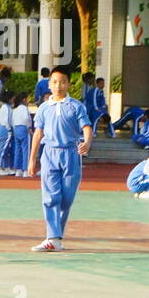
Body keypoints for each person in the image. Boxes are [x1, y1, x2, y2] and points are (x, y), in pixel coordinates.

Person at [26, 67, 92, 252]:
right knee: (50, 197)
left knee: (66, 198)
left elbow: (86, 127)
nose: (58, 85)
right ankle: (52, 237)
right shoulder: (44, 108)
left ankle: (57, 238)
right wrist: (32, 159)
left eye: (62, 81)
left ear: (69, 84)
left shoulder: (76, 106)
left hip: (71, 154)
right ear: (49, 84)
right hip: (49, 154)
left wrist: (86, 142)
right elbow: (38, 133)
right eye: (54, 82)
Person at [10, 93, 33, 178]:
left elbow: (12, 121)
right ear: (24, 99)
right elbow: (27, 119)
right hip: (24, 128)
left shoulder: (15, 109)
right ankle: (25, 170)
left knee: (17, 149)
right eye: (27, 99)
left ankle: (17, 170)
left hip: (16, 128)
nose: (28, 101)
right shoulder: (24, 109)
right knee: (25, 149)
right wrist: (29, 128)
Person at [80, 72, 109, 138]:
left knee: (90, 119)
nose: (93, 80)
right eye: (92, 79)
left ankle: (90, 132)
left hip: (90, 105)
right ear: (88, 79)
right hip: (87, 105)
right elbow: (85, 97)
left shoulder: (92, 87)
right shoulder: (85, 86)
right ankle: (83, 132)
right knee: (86, 118)